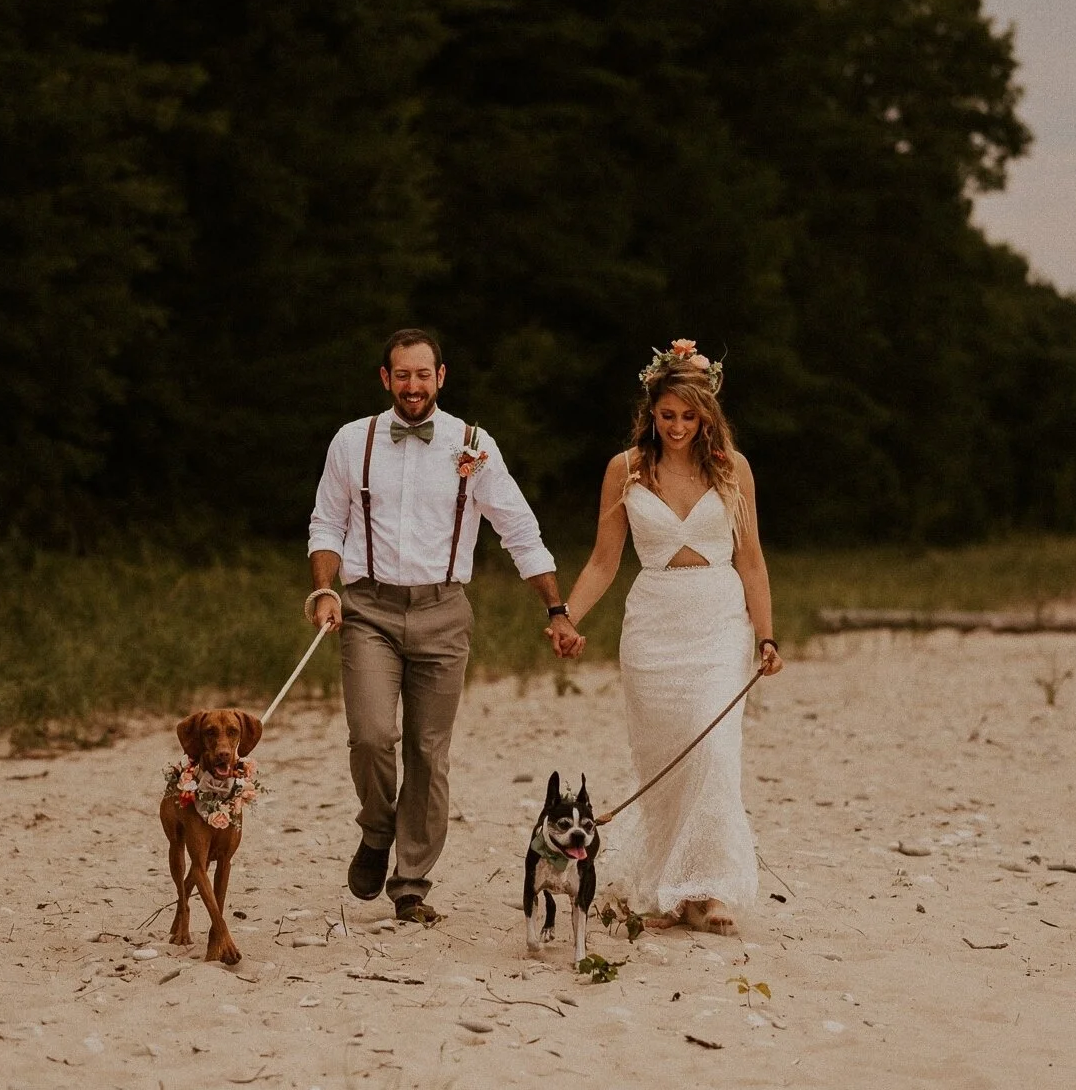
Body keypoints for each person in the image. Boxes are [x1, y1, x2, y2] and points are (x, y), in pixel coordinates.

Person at [307, 328, 581, 923]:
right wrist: (325, 589)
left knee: (429, 753)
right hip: (368, 609)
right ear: (386, 379)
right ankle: (376, 829)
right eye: (402, 375)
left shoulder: (474, 445)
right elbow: (326, 522)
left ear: (441, 377)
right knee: (371, 735)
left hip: (444, 611)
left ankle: (410, 884)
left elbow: (518, 528)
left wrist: (556, 610)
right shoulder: (352, 441)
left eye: (423, 375)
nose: (413, 386)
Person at [558, 340, 782, 933]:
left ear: (706, 415)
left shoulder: (732, 469)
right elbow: (604, 560)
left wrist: (766, 636)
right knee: (665, 757)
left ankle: (710, 889)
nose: (677, 427)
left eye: (688, 416)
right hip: (653, 625)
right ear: (650, 411)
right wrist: (567, 616)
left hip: (718, 620)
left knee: (713, 749)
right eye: (667, 415)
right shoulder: (625, 469)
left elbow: (752, 559)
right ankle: (673, 885)